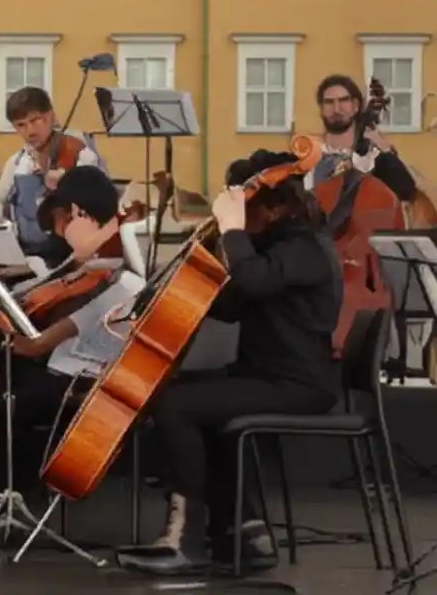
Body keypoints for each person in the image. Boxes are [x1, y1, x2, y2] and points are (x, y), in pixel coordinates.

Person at [116, 149, 343, 576]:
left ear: (275, 207)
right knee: (175, 393)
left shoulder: (306, 247)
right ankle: (239, 530)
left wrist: (233, 231)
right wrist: (183, 282)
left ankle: (184, 539)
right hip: (266, 375)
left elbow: (254, 281)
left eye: (246, 210)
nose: (241, 221)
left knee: (176, 407)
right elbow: (235, 304)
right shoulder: (274, 244)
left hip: (299, 384)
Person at [0, 166, 144, 525]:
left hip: (81, 386)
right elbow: (33, 298)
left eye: (64, 222)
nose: (61, 234)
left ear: (81, 213)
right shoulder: (78, 268)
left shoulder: (118, 282)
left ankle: (11, 496)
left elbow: (37, 344)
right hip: (52, 374)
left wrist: (2, 324)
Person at [0, 87, 104, 268]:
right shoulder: (18, 162)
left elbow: (99, 207)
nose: (30, 131)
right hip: (27, 256)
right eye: (21, 125)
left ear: (50, 116)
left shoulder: (79, 153)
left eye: (36, 120)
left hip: (70, 258)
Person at [308, 74, 415, 201]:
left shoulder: (373, 159)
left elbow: (405, 192)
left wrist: (383, 148)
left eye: (343, 100)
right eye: (329, 102)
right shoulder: (309, 160)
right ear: (321, 108)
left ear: (356, 106)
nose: (336, 109)